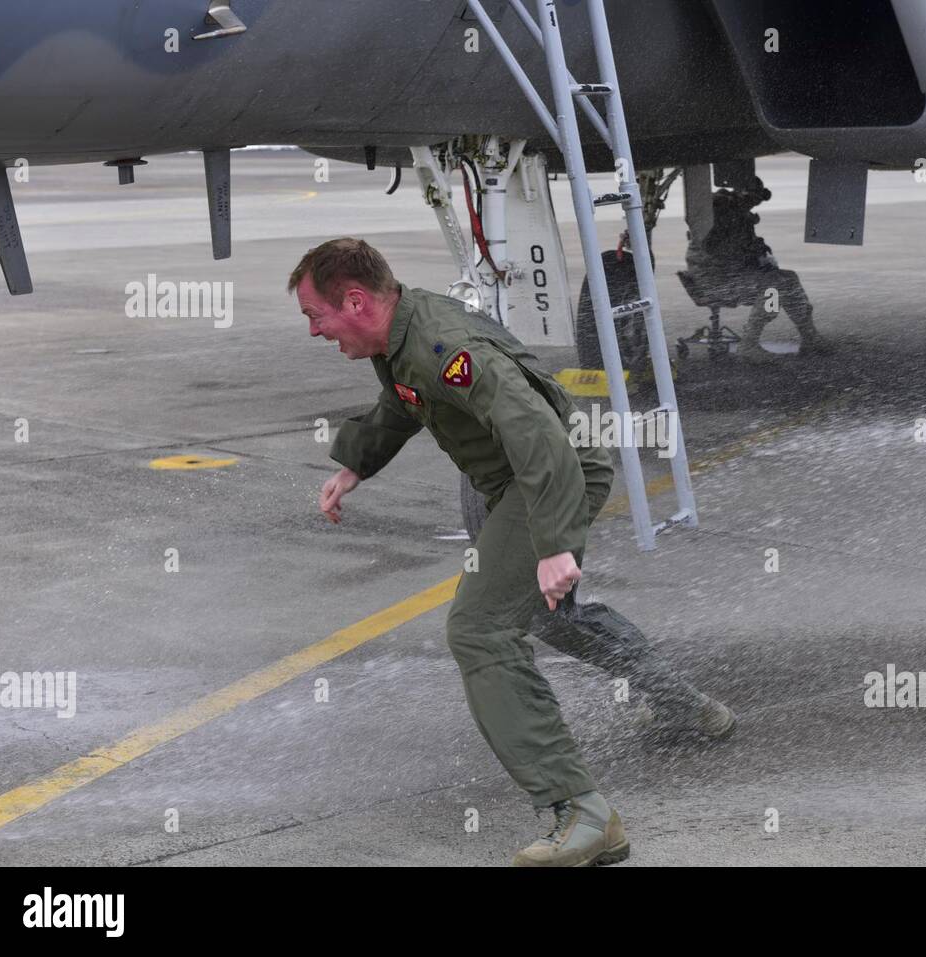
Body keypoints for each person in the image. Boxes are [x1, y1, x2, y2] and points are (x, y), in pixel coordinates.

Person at [290, 238, 734, 867]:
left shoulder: (445, 348)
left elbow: (538, 435)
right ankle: (687, 707)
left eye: (316, 315)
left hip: (549, 475)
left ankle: (581, 814)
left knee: (481, 631)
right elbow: (405, 401)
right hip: (522, 482)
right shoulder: (403, 337)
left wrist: (552, 543)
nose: (315, 331)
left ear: (356, 301)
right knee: (550, 615)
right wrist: (357, 464)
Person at [685, 176, 832, 362]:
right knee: (774, 287)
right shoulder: (720, 210)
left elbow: (737, 249)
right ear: (742, 194)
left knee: (788, 278)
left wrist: (756, 251)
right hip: (714, 281)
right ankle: (749, 344)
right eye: (753, 198)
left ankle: (810, 335)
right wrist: (751, 250)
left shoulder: (735, 212)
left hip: (729, 276)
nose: (755, 204)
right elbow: (718, 249)